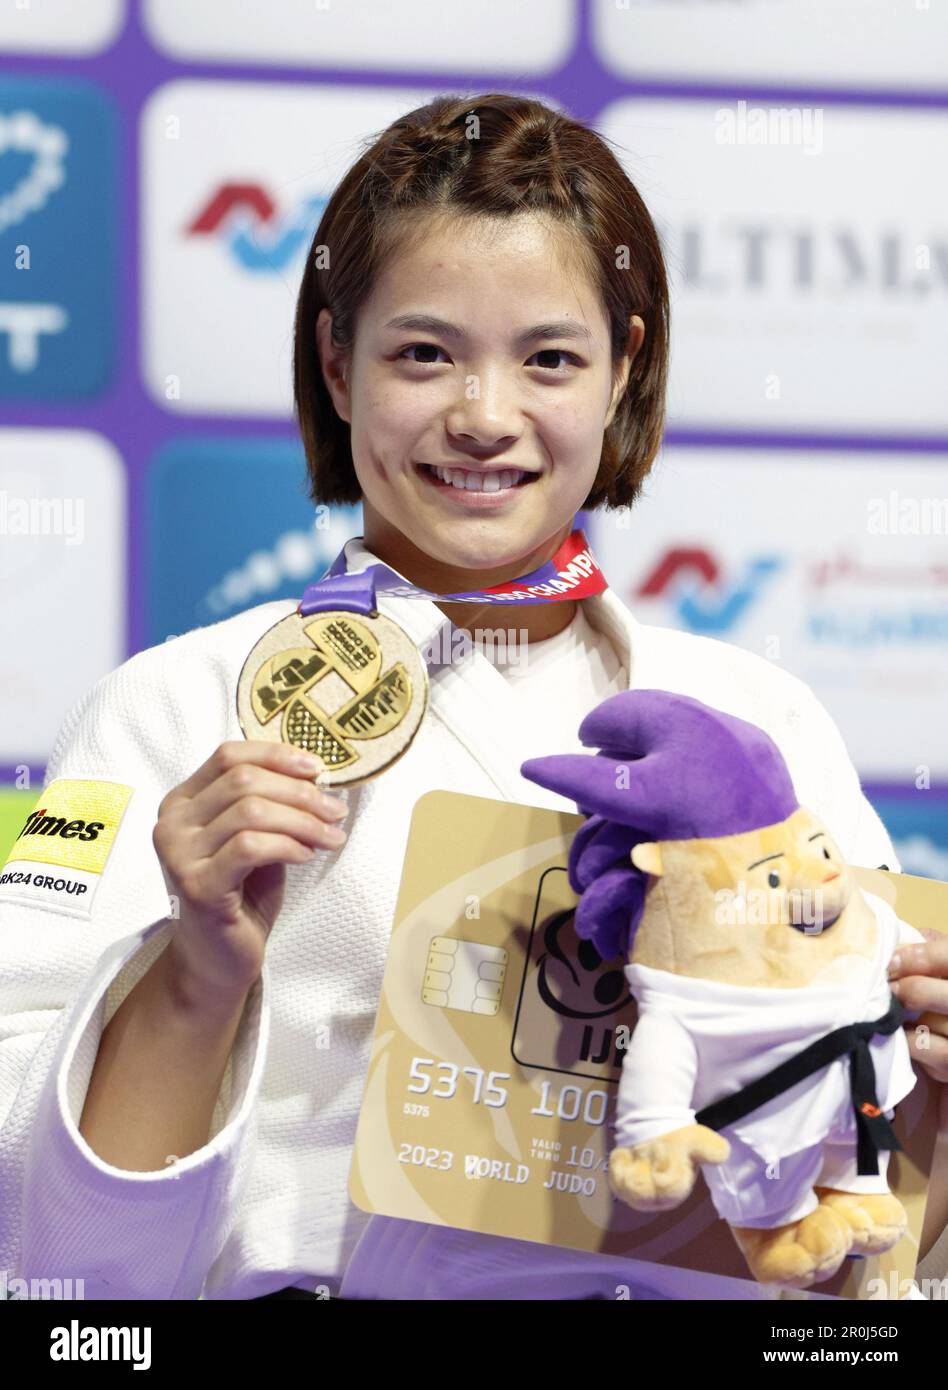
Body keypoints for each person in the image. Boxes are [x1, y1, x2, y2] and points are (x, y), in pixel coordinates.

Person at [1, 93, 946, 1302]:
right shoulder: (177, 706)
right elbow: (55, 1260)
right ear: (338, 365)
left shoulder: (759, 722)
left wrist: (931, 1089)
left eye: (549, 357)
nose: (484, 416)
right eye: (423, 352)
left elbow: (857, 1271)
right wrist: (196, 971)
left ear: (624, 372)